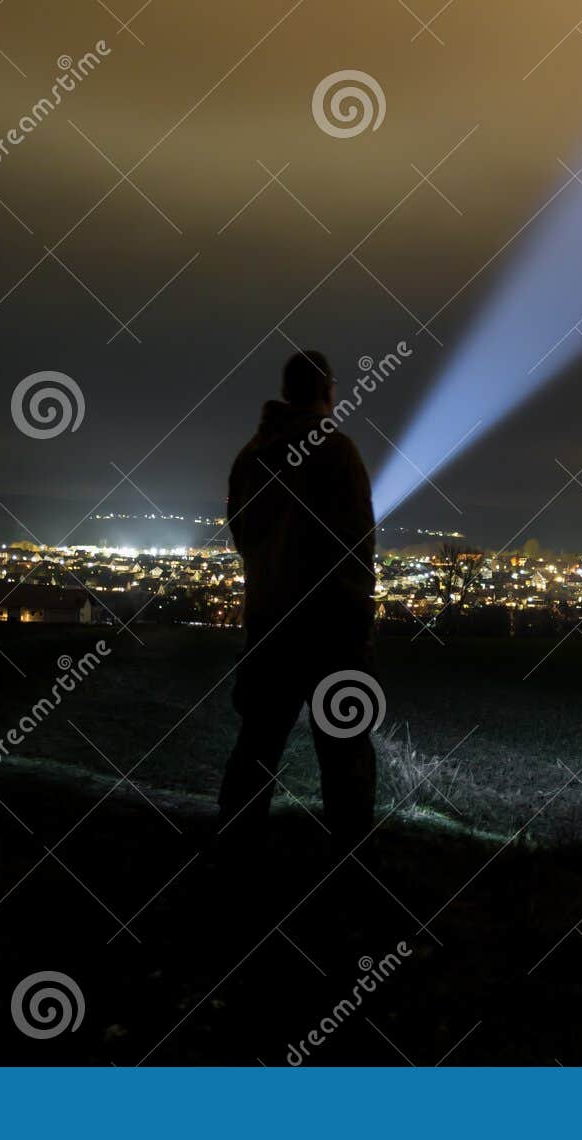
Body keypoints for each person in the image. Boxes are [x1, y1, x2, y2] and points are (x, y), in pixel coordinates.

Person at [219, 350, 378, 866]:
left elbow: (242, 534)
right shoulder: (337, 451)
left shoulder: (250, 457)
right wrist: (357, 619)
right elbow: (356, 545)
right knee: (346, 753)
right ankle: (351, 867)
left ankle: (234, 859)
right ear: (327, 390)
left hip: (268, 621)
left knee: (256, 746)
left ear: (287, 392)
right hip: (330, 628)